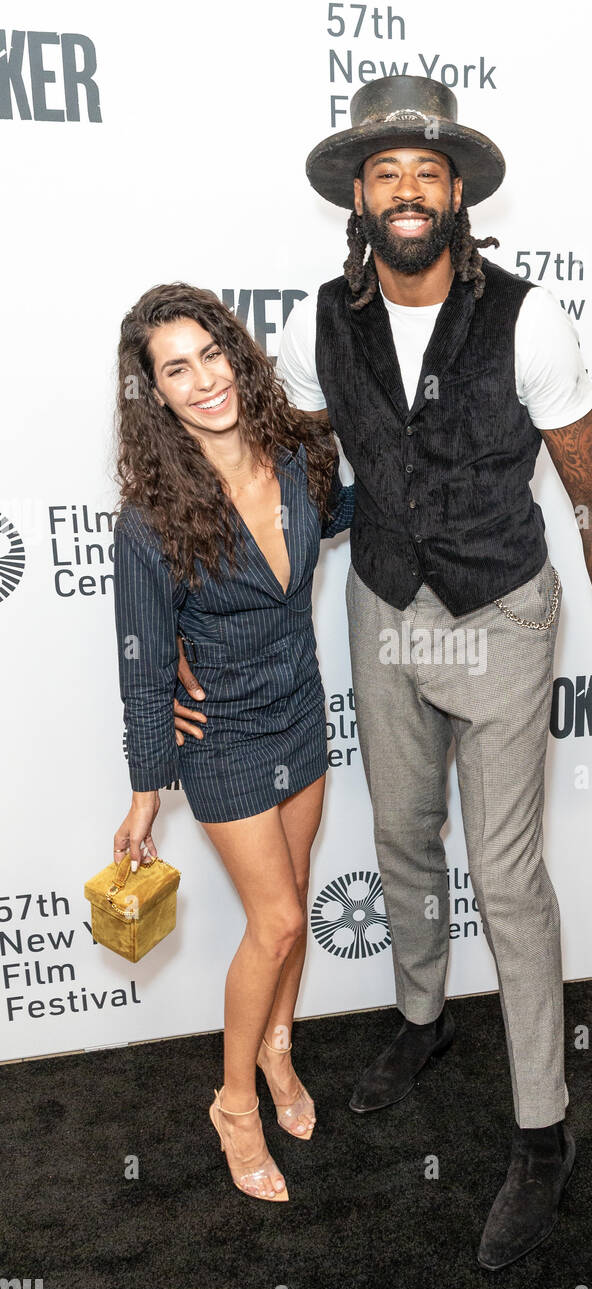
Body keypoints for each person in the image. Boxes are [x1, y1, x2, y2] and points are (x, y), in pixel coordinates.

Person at [174, 75, 592, 1269]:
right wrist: (194, 623)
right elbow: (265, 478)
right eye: (383, 171)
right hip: (386, 609)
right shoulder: (317, 325)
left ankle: (541, 1129)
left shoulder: (530, 323)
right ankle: (423, 1017)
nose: (405, 191)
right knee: (398, 836)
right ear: (357, 195)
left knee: (506, 879)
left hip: (496, 614)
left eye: (426, 173)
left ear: (457, 197)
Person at [112, 282, 353, 1204]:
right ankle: (235, 1102)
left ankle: (282, 1049)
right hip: (221, 736)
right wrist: (146, 791)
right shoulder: (150, 518)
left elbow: (349, 519)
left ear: (237, 352)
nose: (205, 379)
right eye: (177, 369)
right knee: (280, 922)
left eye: (212, 353)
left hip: (300, 705)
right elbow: (141, 662)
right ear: (156, 393)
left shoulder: (299, 456)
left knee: (292, 906)